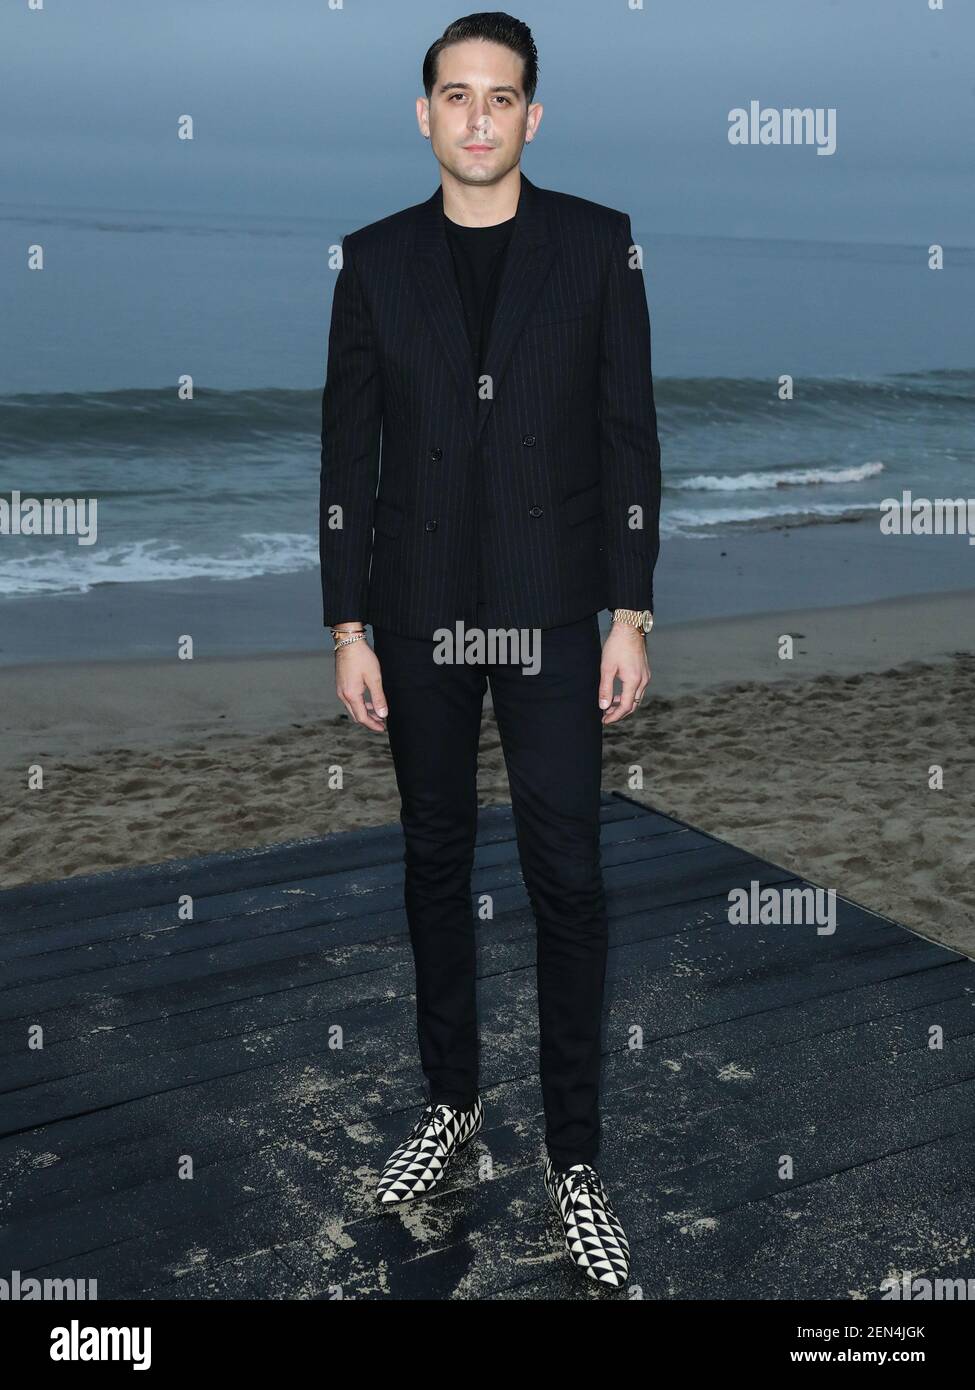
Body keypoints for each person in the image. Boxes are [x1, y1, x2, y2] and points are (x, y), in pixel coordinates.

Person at [319, 11, 661, 1289]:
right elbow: (347, 462)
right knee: (433, 855)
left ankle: (576, 1156)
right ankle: (450, 1102)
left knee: (567, 873)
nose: (476, 116)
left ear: (532, 116)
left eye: (499, 96)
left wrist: (630, 610)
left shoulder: (597, 244)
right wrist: (346, 625)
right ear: (424, 115)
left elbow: (631, 434)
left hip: (553, 606)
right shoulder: (371, 261)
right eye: (453, 95)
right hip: (410, 616)